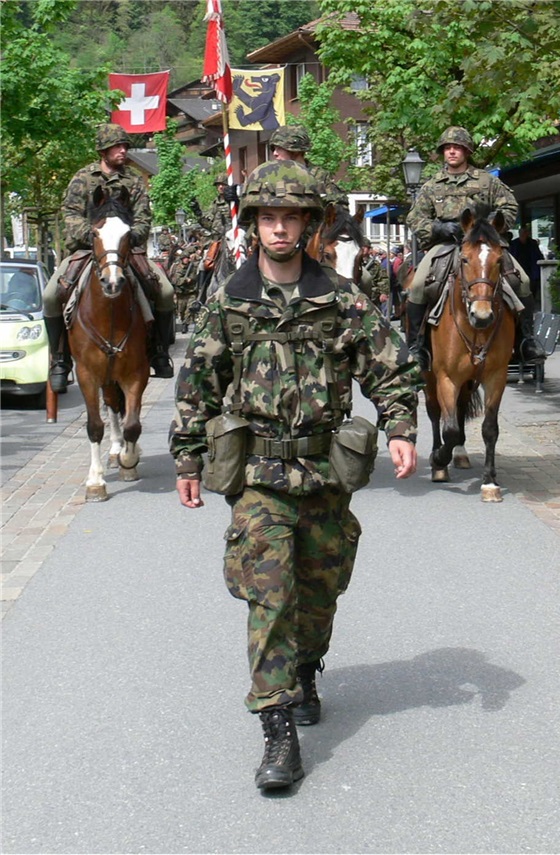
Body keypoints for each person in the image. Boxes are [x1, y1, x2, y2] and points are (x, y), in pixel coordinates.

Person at [169, 160, 420, 792]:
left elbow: (390, 367)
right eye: (267, 218)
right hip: (257, 473)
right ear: (252, 225)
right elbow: (198, 384)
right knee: (270, 594)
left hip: (325, 470)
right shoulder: (229, 301)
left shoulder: (340, 298)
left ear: (309, 224)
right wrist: (188, 458)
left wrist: (398, 429)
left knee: (322, 586)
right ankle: (277, 728)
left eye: (290, 218)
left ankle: (307, 667)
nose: (278, 229)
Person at [43, 123, 175, 389]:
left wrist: (126, 236)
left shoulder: (134, 179)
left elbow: (143, 218)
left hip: (127, 250)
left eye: (125, 145)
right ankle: (60, 359)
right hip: (86, 249)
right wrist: (94, 236)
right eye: (117, 146)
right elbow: (70, 214)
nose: (123, 150)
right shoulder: (82, 178)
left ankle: (159, 352)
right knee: (49, 295)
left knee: (166, 291)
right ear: (103, 150)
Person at [405, 126, 546, 368]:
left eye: (457, 147)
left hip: (484, 244)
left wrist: (491, 226)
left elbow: (509, 207)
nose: (452, 152)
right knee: (417, 285)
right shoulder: (431, 186)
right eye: (448, 148)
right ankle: (417, 347)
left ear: (467, 151)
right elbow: (415, 218)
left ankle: (526, 341)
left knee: (520, 281)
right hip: (445, 245)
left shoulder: (487, 181)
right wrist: (437, 229)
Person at [269, 124, 348, 207]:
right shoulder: (270, 175)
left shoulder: (319, 176)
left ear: (295, 151)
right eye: (274, 148)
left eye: (280, 148)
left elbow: (339, 204)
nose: (275, 153)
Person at [509, 226, 544, 306]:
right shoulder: (514, 243)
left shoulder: (532, 243)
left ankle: (532, 303)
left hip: (531, 270)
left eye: (526, 232)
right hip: (518, 269)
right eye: (523, 233)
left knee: (532, 288)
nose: (525, 234)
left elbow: (539, 256)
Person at [171, 251, 198, 334]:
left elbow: (194, 277)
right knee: (181, 310)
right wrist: (184, 280)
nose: (186, 260)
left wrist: (190, 279)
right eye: (185, 258)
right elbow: (175, 280)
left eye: (188, 258)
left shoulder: (192, 267)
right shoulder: (176, 267)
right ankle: (183, 321)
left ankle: (185, 325)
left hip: (190, 292)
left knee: (189, 309)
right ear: (182, 259)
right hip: (180, 293)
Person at [360, 238, 390, 310]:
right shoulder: (353, 263)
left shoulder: (375, 264)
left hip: (372, 299)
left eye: (365, 247)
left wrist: (384, 293)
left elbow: (383, 279)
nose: (363, 249)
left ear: (369, 249)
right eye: (361, 247)